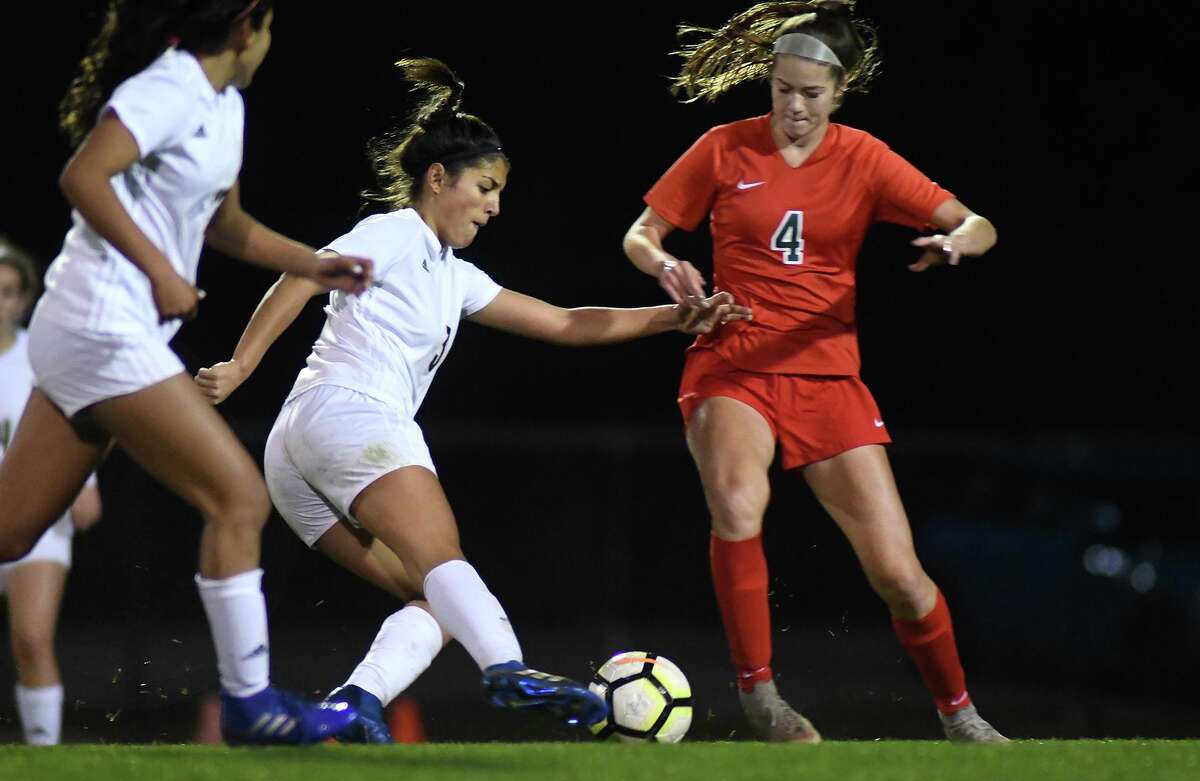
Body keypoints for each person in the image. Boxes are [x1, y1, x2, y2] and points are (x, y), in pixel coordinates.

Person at [195, 57, 749, 742]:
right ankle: (510, 669)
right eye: (485, 188)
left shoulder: (453, 275)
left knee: (435, 600)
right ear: (438, 179)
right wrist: (242, 365)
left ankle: (355, 703)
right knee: (445, 563)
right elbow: (304, 275)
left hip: (301, 448)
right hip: (351, 414)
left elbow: (567, 323)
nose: (494, 206)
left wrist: (676, 318)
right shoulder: (396, 233)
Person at [622, 0, 1007, 742]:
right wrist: (669, 264)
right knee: (737, 504)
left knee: (898, 574)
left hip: (828, 376)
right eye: (782, 90)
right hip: (732, 360)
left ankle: (962, 716)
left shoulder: (864, 158)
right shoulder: (723, 148)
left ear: (840, 90)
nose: (793, 107)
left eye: (811, 93)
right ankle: (762, 698)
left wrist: (959, 242)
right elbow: (642, 233)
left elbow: (977, 221)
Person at [0, 0, 377, 745]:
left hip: (93, 332)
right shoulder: (169, 86)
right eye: (269, 27)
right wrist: (160, 272)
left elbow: (223, 224)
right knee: (239, 496)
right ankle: (251, 702)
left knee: (10, 534)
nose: (271, 42)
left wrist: (314, 264)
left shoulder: (224, 105)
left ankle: (250, 701)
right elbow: (84, 177)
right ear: (247, 27)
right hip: (99, 323)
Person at [0, 239, 103, 745]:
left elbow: (76, 415)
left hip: (37, 512)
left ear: (22, 299)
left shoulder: (38, 359)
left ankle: (46, 755)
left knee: (32, 636)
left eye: (7, 292)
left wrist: (84, 480)